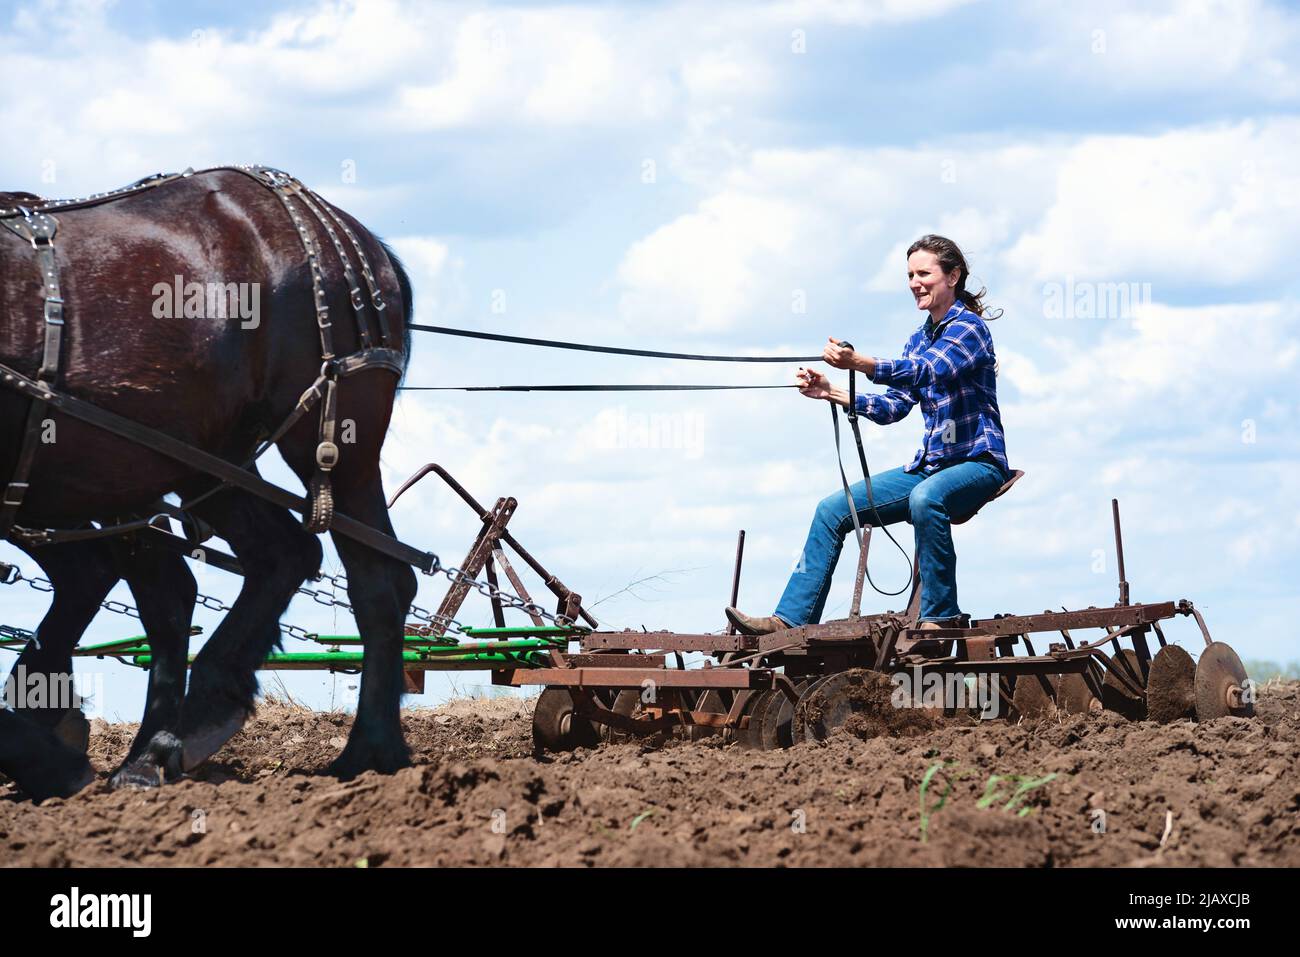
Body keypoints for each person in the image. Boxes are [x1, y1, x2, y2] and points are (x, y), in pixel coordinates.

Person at [725, 234, 1010, 640]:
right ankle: (787, 620)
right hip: (929, 468)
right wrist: (833, 392)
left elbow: (926, 372)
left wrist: (858, 362)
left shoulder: (969, 329)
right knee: (832, 509)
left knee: (926, 499)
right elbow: (895, 406)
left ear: (953, 276)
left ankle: (941, 616)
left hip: (977, 464)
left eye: (924, 273)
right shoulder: (918, 337)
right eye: (910, 275)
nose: (915, 282)